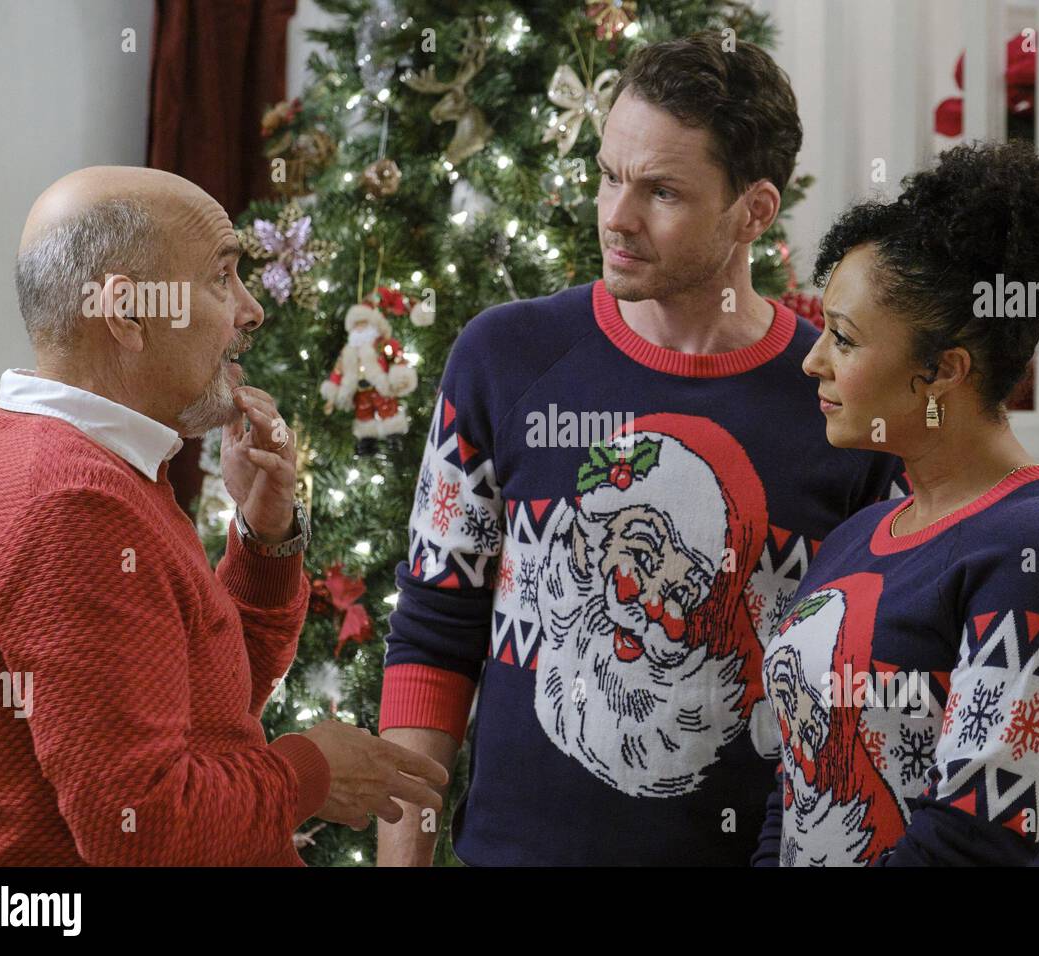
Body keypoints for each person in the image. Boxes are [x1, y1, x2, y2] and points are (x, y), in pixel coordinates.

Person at [376, 32, 906, 866]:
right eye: (608, 175)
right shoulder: (501, 360)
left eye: (661, 191)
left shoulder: (837, 406)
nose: (616, 217)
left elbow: (862, 700)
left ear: (754, 212)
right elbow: (436, 634)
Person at [0, 166, 446, 865]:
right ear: (128, 313)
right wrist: (311, 772)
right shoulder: (69, 505)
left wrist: (264, 540)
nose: (251, 309)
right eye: (221, 277)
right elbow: (143, 825)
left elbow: (208, 710)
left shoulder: (46, 460)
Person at [752, 140, 1039, 866]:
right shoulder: (858, 536)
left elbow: (978, 838)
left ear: (943, 372)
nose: (812, 360)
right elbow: (792, 783)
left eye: (844, 339)